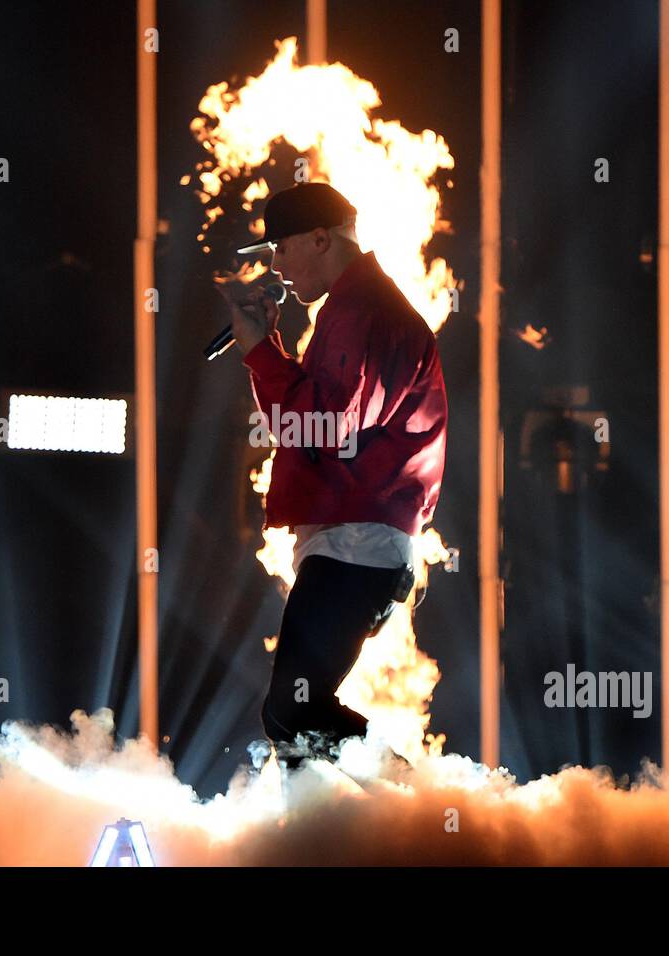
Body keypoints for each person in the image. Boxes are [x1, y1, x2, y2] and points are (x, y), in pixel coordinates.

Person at [223, 182, 448, 772]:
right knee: (294, 723)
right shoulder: (355, 308)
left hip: (358, 543)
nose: (277, 267)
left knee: (292, 712)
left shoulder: (361, 310)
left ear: (321, 238)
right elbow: (319, 417)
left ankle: (421, 805)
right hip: (357, 541)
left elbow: (324, 427)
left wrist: (260, 352)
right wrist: (267, 349)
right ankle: (324, 823)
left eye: (282, 248)